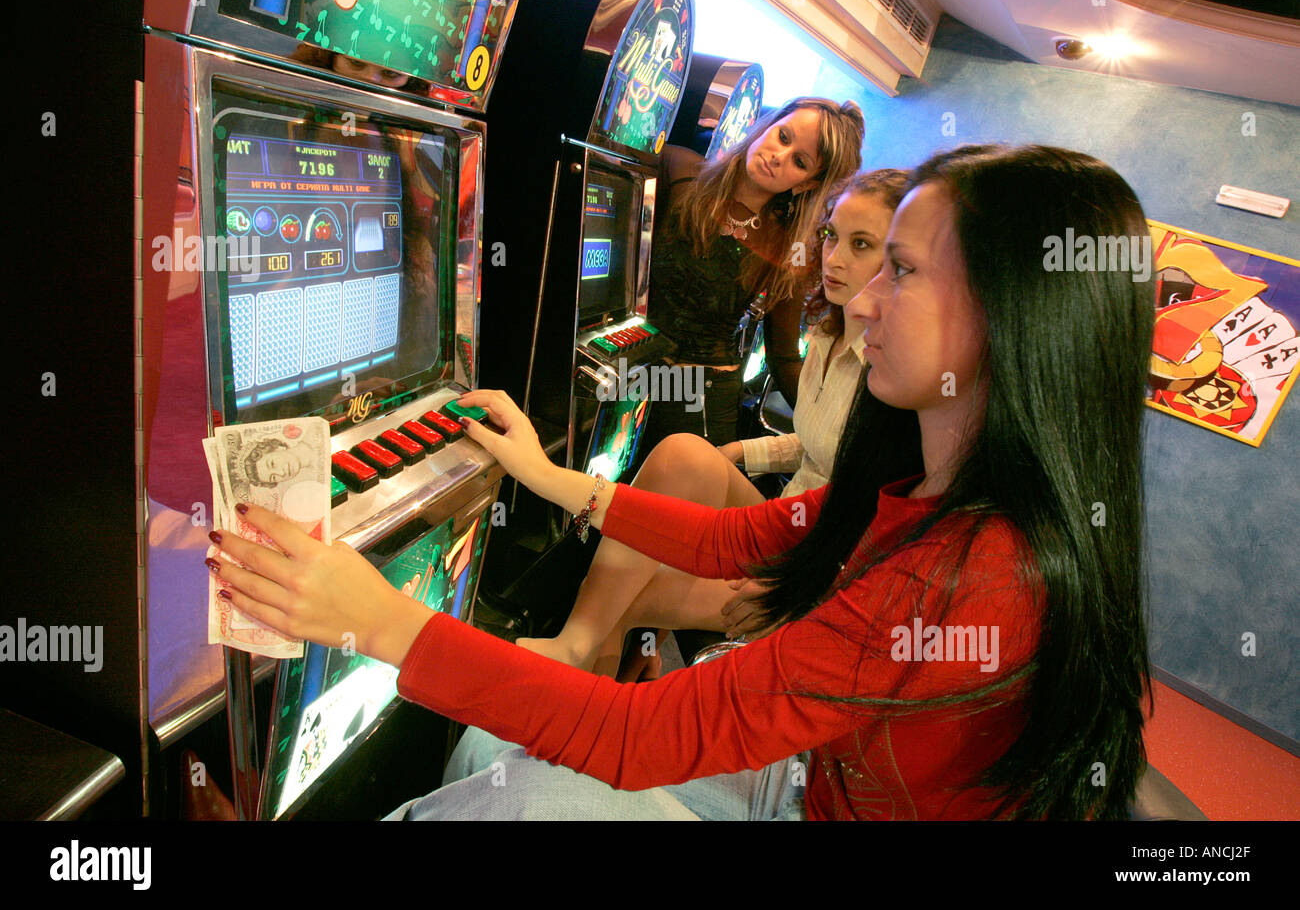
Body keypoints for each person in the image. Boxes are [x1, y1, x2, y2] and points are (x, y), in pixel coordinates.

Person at [209, 143, 1155, 820]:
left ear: (1009, 314)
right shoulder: (921, 479)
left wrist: (377, 619)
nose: (860, 300)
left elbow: (638, 738)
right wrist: (545, 473)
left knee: (525, 794)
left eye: (899, 269)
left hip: (818, 798)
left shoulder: (979, 572)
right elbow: (733, 539)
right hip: (815, 778)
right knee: (501, 752)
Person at [517, 169, 910, 676]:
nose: (833, 258)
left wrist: (798, 581)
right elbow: (822, 445)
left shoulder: (900, 374)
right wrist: (741, 454)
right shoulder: (832, 332)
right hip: (784, 524)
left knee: (630, 590)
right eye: (831, 234)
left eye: (862, 244)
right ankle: (592, 659)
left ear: (905, 260)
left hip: (823, 572)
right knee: (684, 454)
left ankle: (598, 692)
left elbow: (891, 522)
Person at [642, 97, 865, 448]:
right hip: (629, 371)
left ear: (806, 184)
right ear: (766, 127)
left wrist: (836, 436)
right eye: (783, 137)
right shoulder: (680, 169)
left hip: (699, 395)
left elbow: (785, 358)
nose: (779, 156)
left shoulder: (791, 252)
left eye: (799, 161)